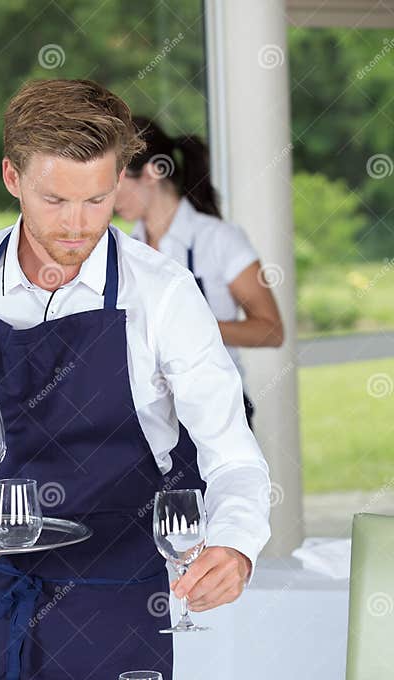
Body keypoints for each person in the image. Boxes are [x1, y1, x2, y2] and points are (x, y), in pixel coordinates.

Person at [0, 79, 271, 680]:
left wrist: (236, 544)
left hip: (121, 598)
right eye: (55, 200)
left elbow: (232, 454)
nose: (78, 226)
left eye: (98, 200)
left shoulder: (163, 293)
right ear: (12, 177)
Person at [115, 118, 284, 490]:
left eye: (116, 182)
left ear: (153, 173)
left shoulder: (219, 239)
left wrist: (188, 329)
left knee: (214, 527)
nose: (108, 198)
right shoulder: (128, 249)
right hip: (148, 413)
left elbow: (271, 329)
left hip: (213, 405)